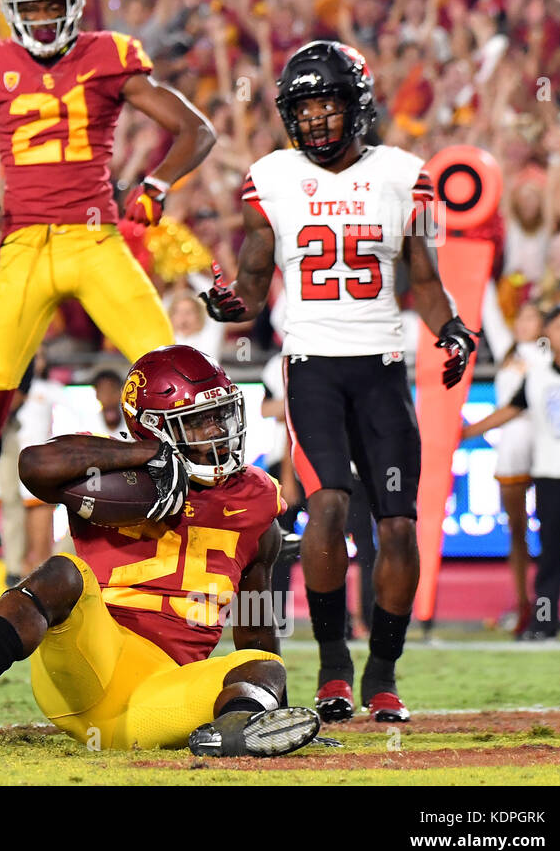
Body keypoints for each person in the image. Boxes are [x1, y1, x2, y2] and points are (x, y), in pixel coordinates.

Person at [0, 0, 216, 614]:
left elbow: (196, 129)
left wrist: (157, 183)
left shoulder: (108, 55)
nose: (43, 22)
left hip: (96, 237)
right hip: (25, 248)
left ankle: (212, 521)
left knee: (177, 378)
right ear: (13, 13)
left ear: (73, 7)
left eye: (53, 7)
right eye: (32, 9)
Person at [199, 41, 475, 723]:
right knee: (325, 510)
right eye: (306, 108)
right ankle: (332, 665)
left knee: (400, 528)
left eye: (328, 105)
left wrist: (454, 328)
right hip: (313, 366)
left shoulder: (406, 175)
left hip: (382, 369)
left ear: (357, 105)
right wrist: (233, 303)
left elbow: (426, 282)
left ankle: (383, 672)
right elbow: (256, 280)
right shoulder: (271, 178)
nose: (318, 121)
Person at [0, 345, 321, 757]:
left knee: (266, 665)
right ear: (153, 428)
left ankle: (236, 729)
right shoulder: (111, 467)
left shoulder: (256, 496)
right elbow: (34, 465)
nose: (216, 431)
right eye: (197, 422)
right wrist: (148, 456)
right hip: (89, 661)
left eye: (220, 416)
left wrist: (272, 704)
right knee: (64, 571)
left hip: (160, 697)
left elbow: (254, 621)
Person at [461, 303, 560, 639]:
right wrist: (463, 433)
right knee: (549, 560)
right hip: (550, 477)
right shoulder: (536, 374)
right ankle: (543, 623)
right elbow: (510, 410)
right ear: (548, 333)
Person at [490, 300, 543, 633]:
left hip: (547, 447)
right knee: (517, 530)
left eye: (533, 317)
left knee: (552, 532)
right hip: (511, 447)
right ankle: (525, 603)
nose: (526, 322)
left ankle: (544, 600)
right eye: (521, 316)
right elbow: (489, 311)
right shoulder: (505, 351)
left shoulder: (551, 355)